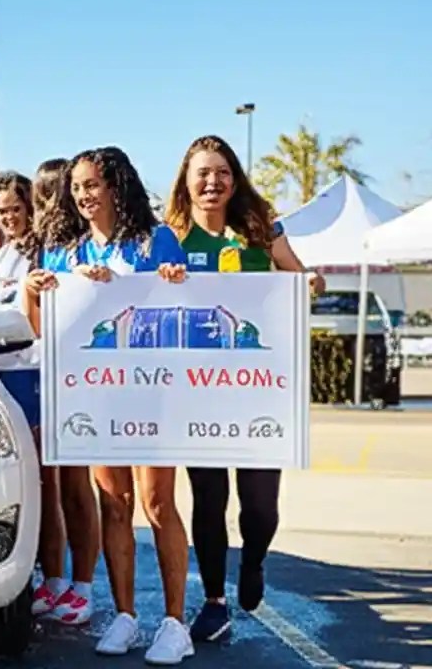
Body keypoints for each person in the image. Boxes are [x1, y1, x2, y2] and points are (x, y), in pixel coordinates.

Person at [31, 146, 193, 664]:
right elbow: (46, 334)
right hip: (95, 396)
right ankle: (125, 615)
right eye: (76, 186)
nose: (82, 194)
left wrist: (169, 281)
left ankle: (175, 623)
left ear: (117, 186)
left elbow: (184, 311)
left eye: (92, 184)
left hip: (152, 391)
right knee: (114, 504)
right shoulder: (64, 252)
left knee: (158, 503)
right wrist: (37, 294)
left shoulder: (155, 240)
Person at [163, 135, 323, 643]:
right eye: (202, 173)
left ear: (235, 179)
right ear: (186, 180)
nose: (212, 182)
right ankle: (213, 600)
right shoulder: (168, 237)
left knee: (259, 507)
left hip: (258, 392)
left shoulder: (259, 228)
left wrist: (311, 282)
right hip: (196, 392)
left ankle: (253, 561)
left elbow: (297, 278)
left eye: (223, 172)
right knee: (209, 500)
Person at [0, 171, 101, 628]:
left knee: (59, 486)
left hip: (41, 373)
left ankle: (74, 583)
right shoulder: (0, 256)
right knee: (33, 489)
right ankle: (49, 580)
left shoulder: (48, 250)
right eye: (3, 211)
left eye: (17, 208)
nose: (11, 217)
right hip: (4, 375)